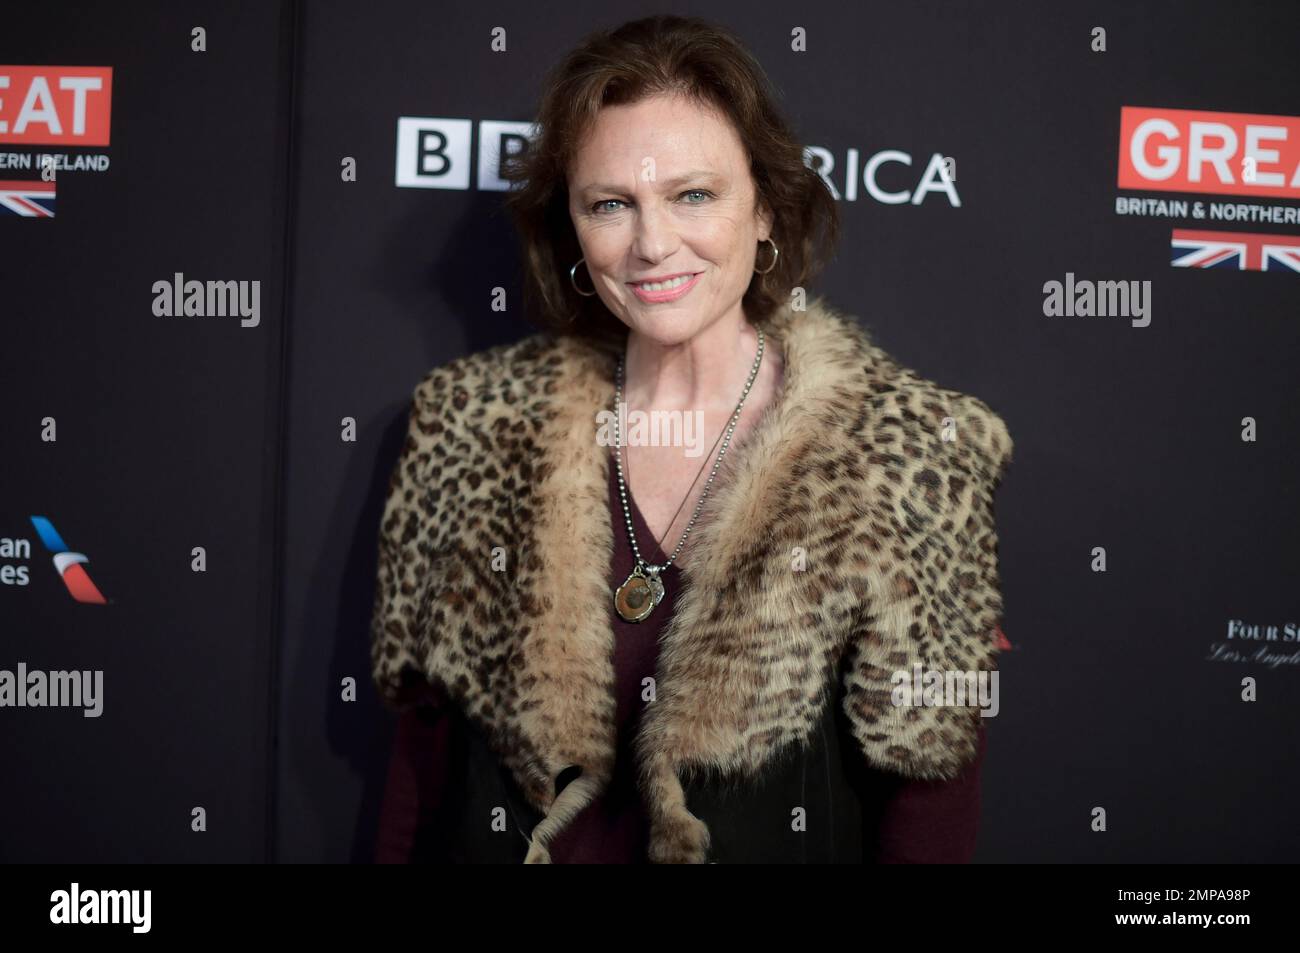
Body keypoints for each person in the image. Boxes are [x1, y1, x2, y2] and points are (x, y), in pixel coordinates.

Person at [369, 14, 1013, 864]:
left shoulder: (909, 451)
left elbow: (930, 797)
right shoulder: (473, 426)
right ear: (572, 230)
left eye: (693, 195)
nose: (652, 243)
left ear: (766, 210)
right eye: (611, 204)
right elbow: (423, 766)